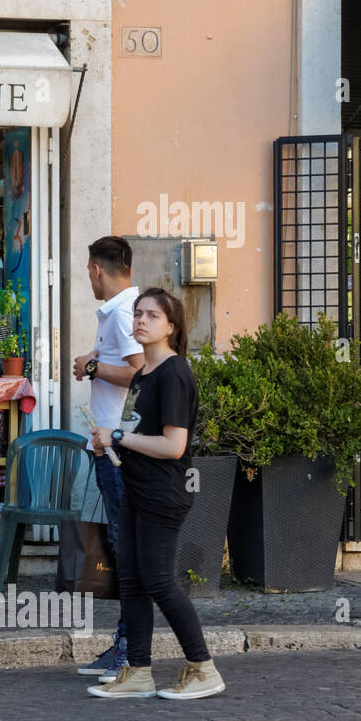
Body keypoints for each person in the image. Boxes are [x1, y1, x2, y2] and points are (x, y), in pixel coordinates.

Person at [87, 288, 225, 700]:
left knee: (159, 581)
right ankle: (140, 671)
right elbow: (138, 433)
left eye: (152, 315)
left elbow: (173, 446)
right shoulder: (144, 375)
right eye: (138, 314)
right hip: (135, 486)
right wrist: (111, 441)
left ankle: (203, 668)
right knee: (130, 582)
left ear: (172, 326)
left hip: (163, 493)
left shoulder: (175, 372)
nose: (141, 321)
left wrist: (118, 437)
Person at [72, 236, 146, 683]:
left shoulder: (120, 312)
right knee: (123, 545)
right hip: (111, 443)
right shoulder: (124, 309)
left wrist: (96, 368)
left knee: (125, 546)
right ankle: (126, 644)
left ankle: (129, 650)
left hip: (117, 448)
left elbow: (139, 371)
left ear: (96, 269)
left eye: (88, 273)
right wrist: (94, 359)